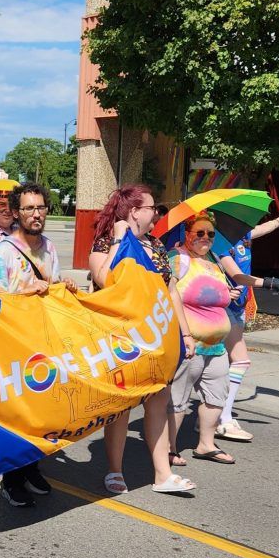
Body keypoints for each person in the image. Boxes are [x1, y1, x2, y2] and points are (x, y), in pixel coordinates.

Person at [88, 184, 198, 495]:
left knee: (158, 403)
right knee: (122, 407)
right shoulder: (105, 243)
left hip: (156, 337)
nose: (156, 214)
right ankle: (114, 470)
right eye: (151, 208)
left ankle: (162, 475)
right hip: (121, 340)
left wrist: (185, 332)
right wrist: (121, 240)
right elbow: (104, 280)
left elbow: (171, 290)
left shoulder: (156, 245)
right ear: (134, 212)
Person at [167, 212, 279, 463]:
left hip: (215, 346)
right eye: (200, 233)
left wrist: (229, 293)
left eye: (210, 234)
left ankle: (206, 445)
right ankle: (170, 449)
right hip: (189, 344)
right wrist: (184, 334)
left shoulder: (214, 259)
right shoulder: (178, 258)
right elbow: (169, 292)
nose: (206, 238)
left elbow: (232, 280)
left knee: (216, 397)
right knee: (178, 402)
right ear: (186, 234)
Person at [0, 183, 78, 507]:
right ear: (17, 213)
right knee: (20, 417)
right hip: (15, 348)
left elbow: (52, 289)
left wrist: (65, 287)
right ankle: (12, 480)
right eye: (28, 209)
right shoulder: (5, 251)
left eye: (40, 208)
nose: (35, 214)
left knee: (44, 414)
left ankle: (32, 468)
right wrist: (23, 291)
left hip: (44, 343)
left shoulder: (49, 247)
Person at [214, 212, 279, 441]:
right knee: (239, 360)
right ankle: (223, 418)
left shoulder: (243, 236)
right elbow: (238, 275)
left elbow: (266, 228)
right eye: (242, 219)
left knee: (224, 363)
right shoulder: (218, 242)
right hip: (223, 307)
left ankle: (212, 416)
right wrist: (276, 283)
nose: (248, 222)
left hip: (238, 305)